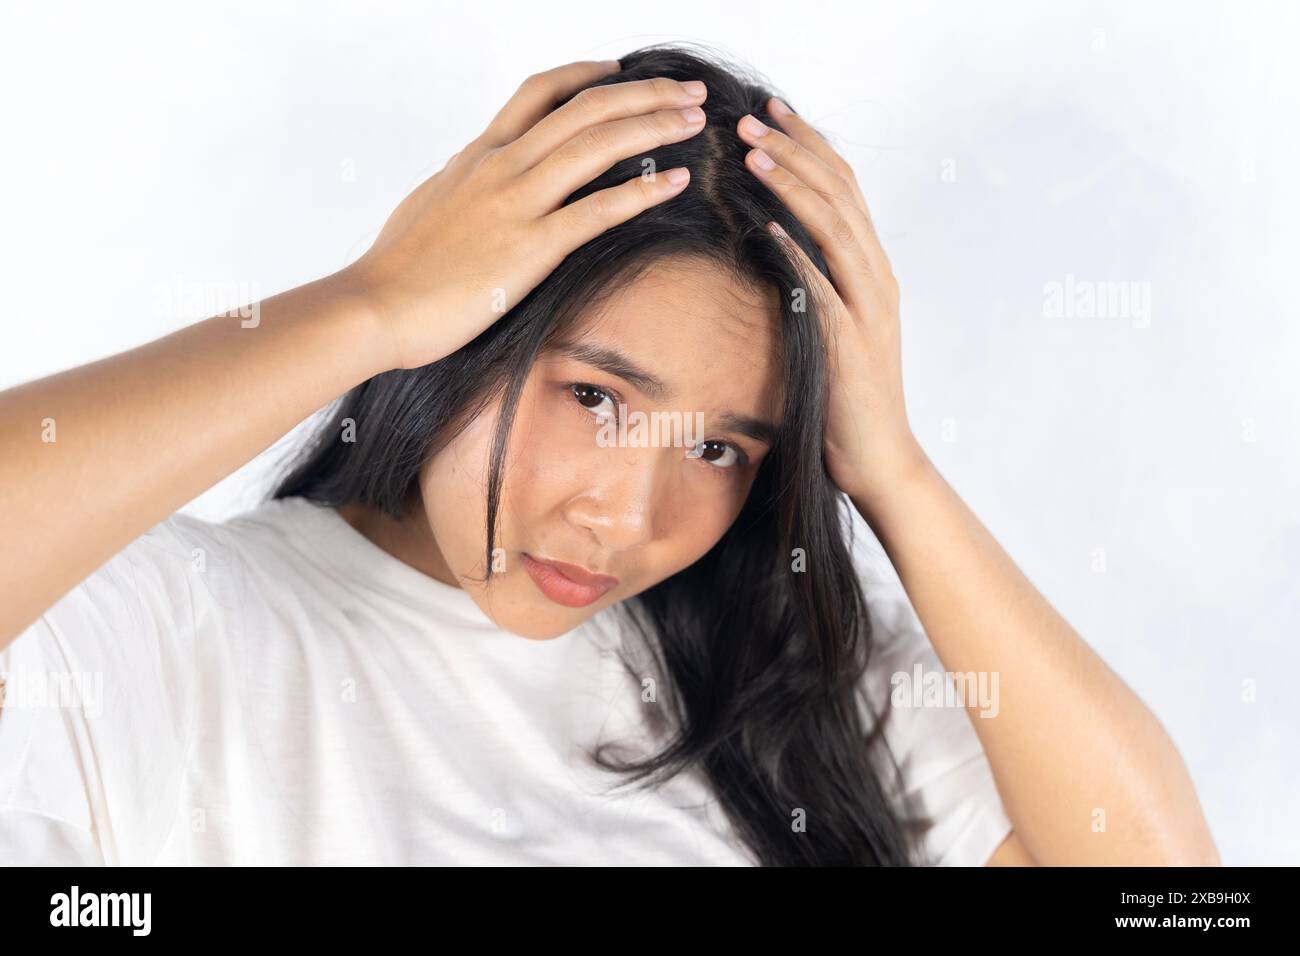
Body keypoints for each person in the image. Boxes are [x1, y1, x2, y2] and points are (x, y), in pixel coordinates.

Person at [0, 43, 1218, 866]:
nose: (631, 514)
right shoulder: (166, 624)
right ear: (462, 330)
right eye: (593, 394)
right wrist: (364, 304)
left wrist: (892, 472)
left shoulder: (801, 689)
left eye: (724, 446)